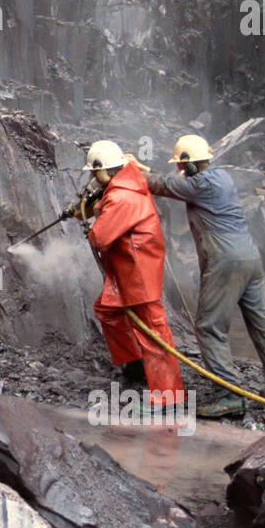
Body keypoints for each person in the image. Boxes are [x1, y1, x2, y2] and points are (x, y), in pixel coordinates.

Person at [144, 134, 265, 419]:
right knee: (264, 326)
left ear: (190, 165)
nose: (179, 169)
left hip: (225, 262)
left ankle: (229, 395)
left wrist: (133, 171)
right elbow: (171, 181)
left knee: (208, 327)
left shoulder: (201, 183)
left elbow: (163, 185)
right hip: (250, 260)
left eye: (181, 164)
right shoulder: (220, 178)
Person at [82, 140, 185, 409]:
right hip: (131, 266)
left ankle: (168, 397)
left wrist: (94, 218)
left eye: (95, 173)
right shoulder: (127, 182)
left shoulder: (121, 196)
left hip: (137, 272)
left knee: (153, 331)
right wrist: (99, 208)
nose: (93, 178)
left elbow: (100, 238)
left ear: (105, 170)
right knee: (108, 310)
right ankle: (136, 365)